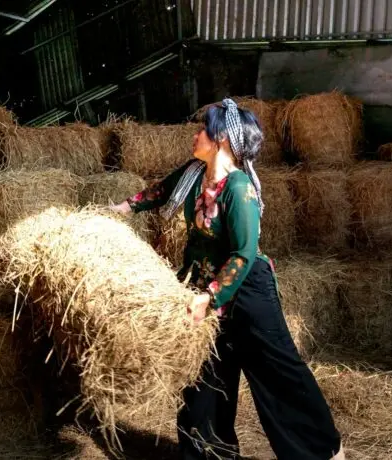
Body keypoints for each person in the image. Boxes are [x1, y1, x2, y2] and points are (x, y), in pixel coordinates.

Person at [110, 99, 344, 460]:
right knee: (204, 376)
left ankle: (321, 452)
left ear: (220, 139)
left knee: (277, 374)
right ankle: (208, 454)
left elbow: (244, 253)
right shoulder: (194, 173)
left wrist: (211, 296)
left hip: (247, 292)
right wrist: (121, 209)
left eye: (203, 129)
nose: (195, 134)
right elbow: (161, 191)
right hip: (205, 287)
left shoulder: (238, 188)